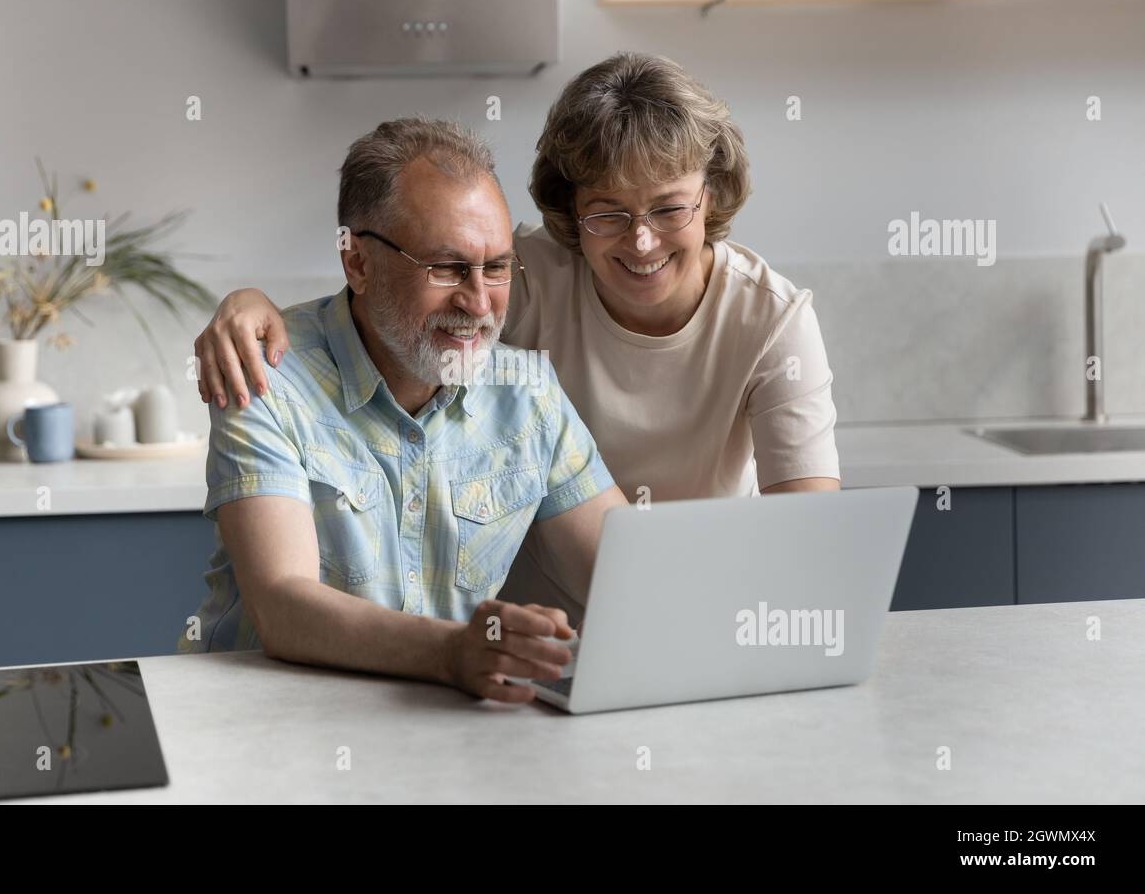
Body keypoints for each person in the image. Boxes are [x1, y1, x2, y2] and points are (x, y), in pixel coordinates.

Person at [192, 52, 841, 625]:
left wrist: (741, 634)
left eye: (669, 208)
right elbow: (282, 604)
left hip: (639, 626)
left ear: (709, 196)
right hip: (479, 659)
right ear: (573, 220)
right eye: (609, 212)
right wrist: (247, 303)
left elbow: (789, 551)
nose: (641, 241)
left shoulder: (761, 322)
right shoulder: (524, 274)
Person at [179, 118, 627, 705]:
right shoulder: (267, 376)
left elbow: (629, 581)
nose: (476, 302)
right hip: (263, 726)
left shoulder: (528, 392)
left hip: (434, 736)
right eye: (445, 268)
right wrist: (450, 652)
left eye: (496, 268)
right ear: (358, 263)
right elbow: (282, 604)